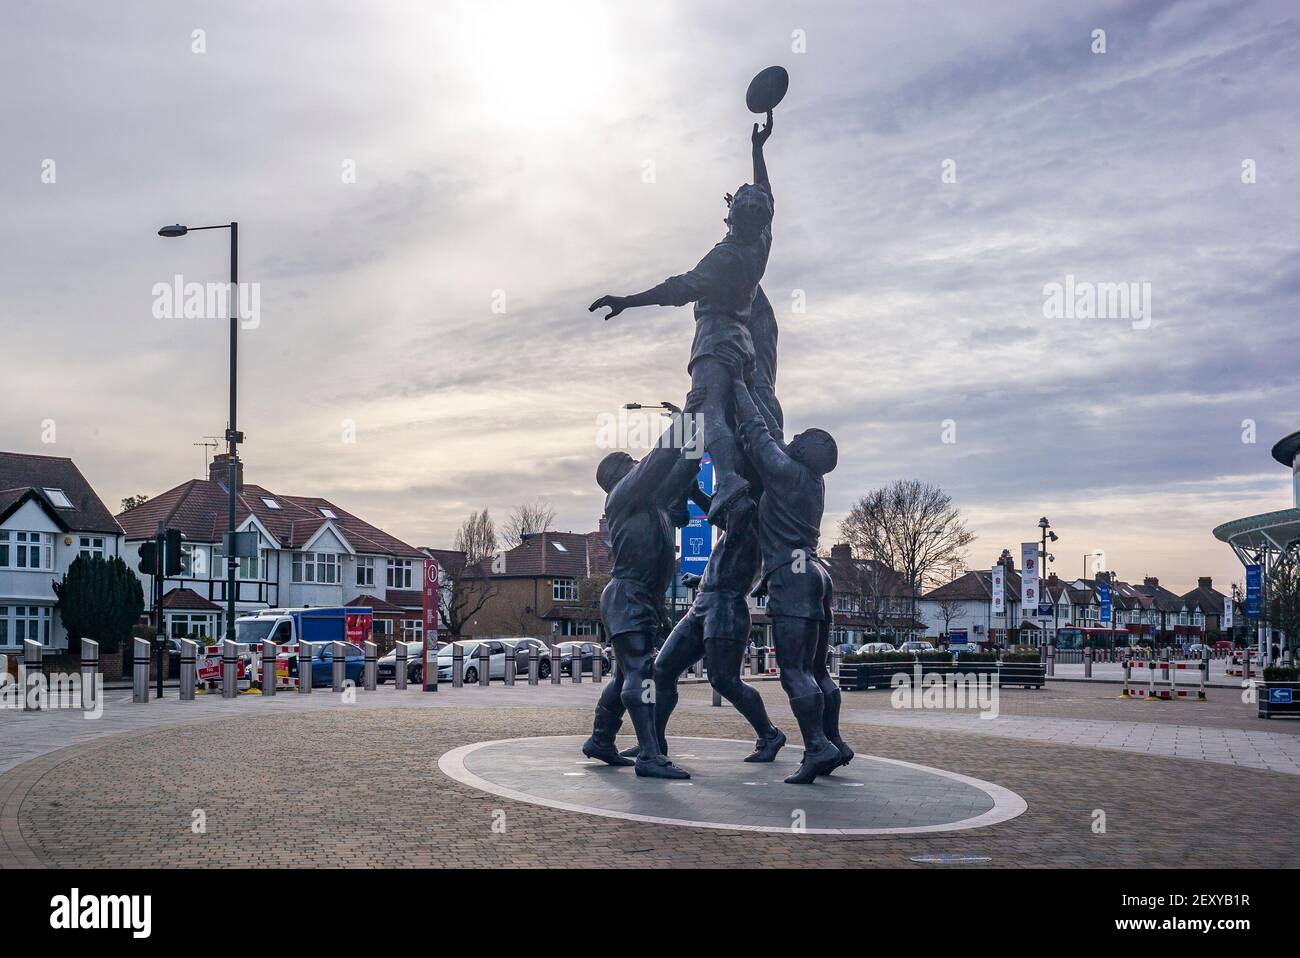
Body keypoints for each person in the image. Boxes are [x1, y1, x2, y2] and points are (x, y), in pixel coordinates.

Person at [590, 112, 777, 528]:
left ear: (732, 217)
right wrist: (757, 151)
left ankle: (729, 480)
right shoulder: (760, 242)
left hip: (715, 339)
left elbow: (678, 288)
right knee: (726, 418)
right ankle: (721, 487)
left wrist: (627, 300)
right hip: (744, 342)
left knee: (707, 413)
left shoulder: (724, 258)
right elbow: (765, 193)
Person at [732, 376, 847, 784]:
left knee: (793, 671)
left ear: (802, 449)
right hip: (816, 573)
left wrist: (736, 382)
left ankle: (817, 747)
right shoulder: (814, 482)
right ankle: (835, 742)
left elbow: (757, 433)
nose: (791, 437)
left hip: (793, 577)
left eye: (799, 437)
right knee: (819, 671)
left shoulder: (784, 472)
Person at [581, 411, 701, 779]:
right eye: (631, 464)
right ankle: (649, 754)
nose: (638, 466)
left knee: (624, 677)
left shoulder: (655, 503)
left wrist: (698, 429)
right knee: (640, 672)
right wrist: (682, 426)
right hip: (626, 595)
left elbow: (683, 467)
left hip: (642, 598)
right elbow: (659, 459)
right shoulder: (623, 495)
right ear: (620, 475)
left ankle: (601, 740)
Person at [649, 487, 787, 763]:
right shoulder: (732, 530)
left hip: (726, 609)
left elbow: (719, 517)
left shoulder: (751, 522)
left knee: (724, 680)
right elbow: (727, 565)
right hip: (702, 604)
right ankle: (653, 742)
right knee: (662, 670)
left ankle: (769, 734)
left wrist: (692, 491)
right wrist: (699, 579)